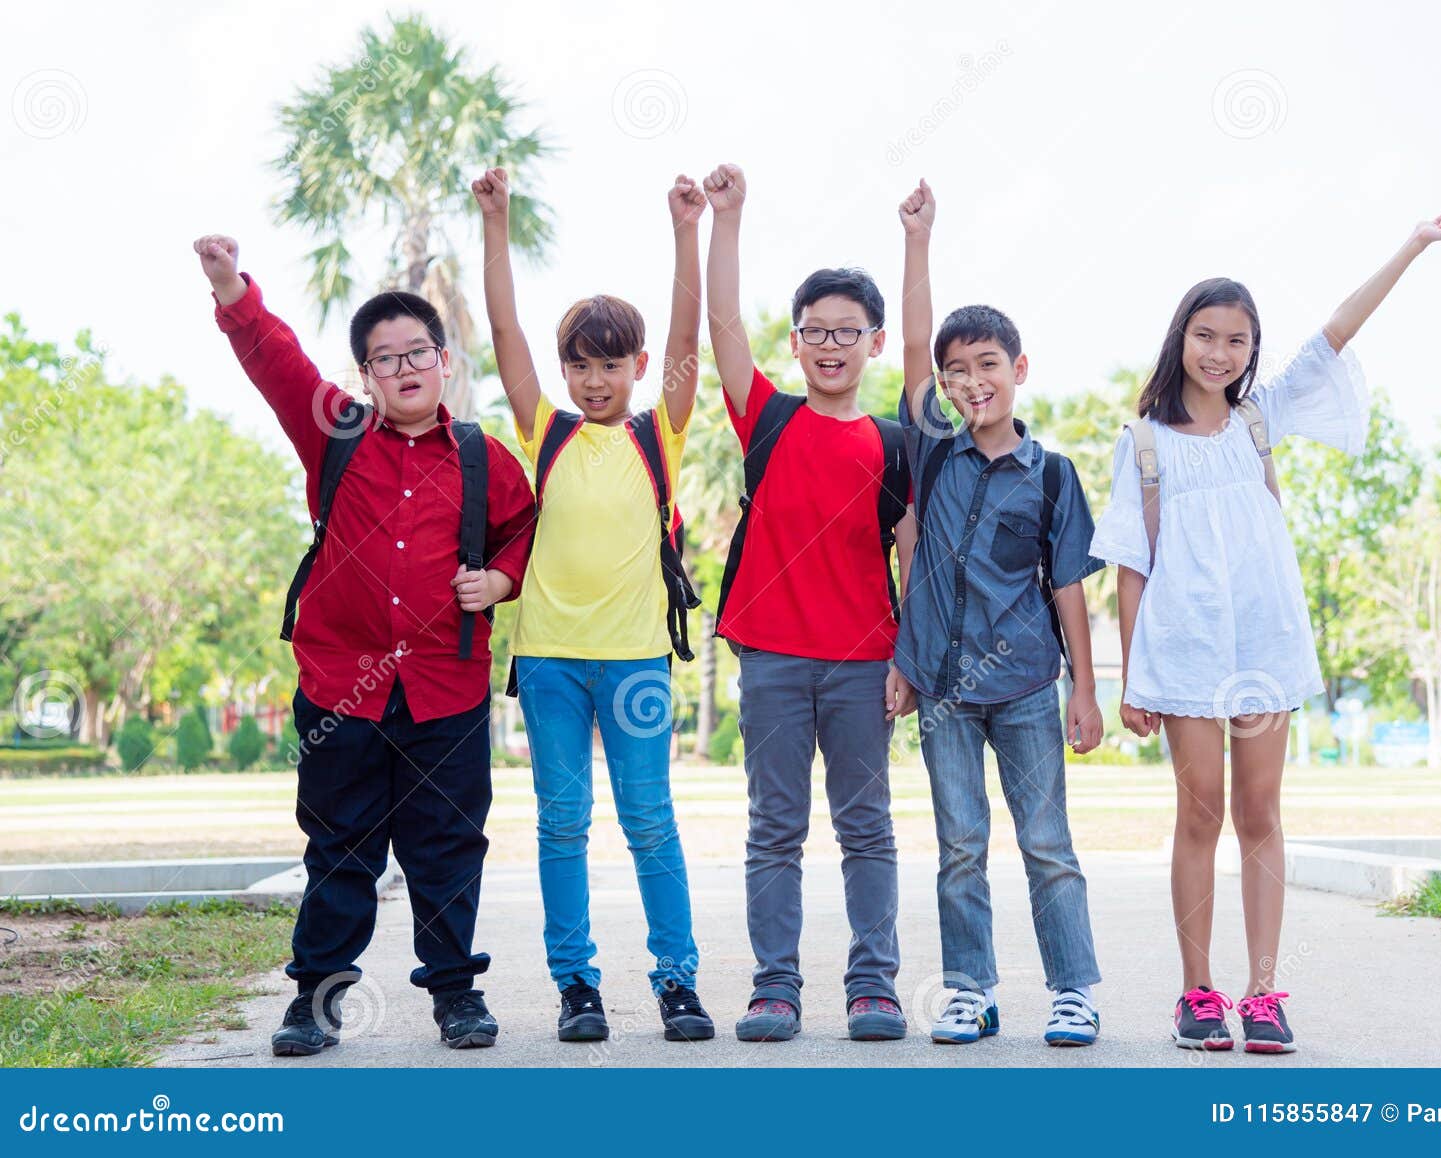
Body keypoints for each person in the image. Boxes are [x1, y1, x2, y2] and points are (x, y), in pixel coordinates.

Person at [1089, 211, 1441, 1053]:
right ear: (1180, 339)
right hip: (1184, 653)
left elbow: (1337, 331)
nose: (1219, 352)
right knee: (1200, 814)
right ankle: (1197, 993)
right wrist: (1134, 679)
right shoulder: (1144, 443)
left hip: (1262, 647)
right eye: (1205, 335)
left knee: (1260, 811)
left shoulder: (1261, 420)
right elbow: (1130, 564)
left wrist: (1412, 245)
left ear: (1251, 350)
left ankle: (1263, 994)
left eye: (1237, 340)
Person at [194, 233, 536, 1056]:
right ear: (367, 376)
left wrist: (500, 580)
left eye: (418, 351)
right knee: (339, 847)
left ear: (444, 362)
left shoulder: (484, 458)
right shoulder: (335, 436)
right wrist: (232, 288)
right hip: (339, 685)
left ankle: (456, 995)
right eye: (386, 358)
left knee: (446, 846)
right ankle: (315, 1001)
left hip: (446, 688)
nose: (404, 367)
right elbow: (278, 365)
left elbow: (528, 530)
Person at [473, 167, 713, 1042]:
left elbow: (686, 333)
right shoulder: (549, 431)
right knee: (562, 825)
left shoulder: (660, 434)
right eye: (579, 364)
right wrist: (496, 223)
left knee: (650, 822)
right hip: (547, 662)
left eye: (611, 364)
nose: (594, 379)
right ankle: (577, 986)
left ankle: (677, 982)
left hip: (637, 661)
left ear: (639, 367)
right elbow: (505, 329)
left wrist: (686, 230)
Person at [703, 162, 917, 1043]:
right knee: (774, 831)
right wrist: (728, 218)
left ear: (874, 342)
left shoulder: (895, 444)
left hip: (866, 665)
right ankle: (775, 989)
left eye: (848, 331)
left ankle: (874, 987)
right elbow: (722, 325)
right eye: (816, 331)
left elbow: (913, 564)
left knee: (866, 830)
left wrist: (909, 660)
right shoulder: (768, 418)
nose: (832, 345)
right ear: (796, 343)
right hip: (774, 662)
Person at [896, 180, 1106, 1047]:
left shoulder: (1051, 476)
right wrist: (918, 240)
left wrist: (1084, 690)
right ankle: (970, 992)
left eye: (988, 364)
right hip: (943, 690)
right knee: (959, 848)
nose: (972, 380)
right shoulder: (931, 453)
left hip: (1024, 689)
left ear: (1018, 370)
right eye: (958, 370)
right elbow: (915, 344)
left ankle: (1073, 991)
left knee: (1047, 843)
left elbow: (1068, 587)